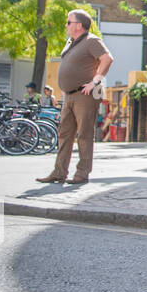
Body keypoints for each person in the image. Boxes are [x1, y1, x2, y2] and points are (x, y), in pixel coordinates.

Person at [36, 10, 112, 186]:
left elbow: (107, 59)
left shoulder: (91, 41)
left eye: (68, 22)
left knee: (84, 135)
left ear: (79, 25)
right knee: (64, 134)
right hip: (69, 95)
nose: (66, 25)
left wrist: (95, 81)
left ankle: (82, 174)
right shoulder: (72, 42)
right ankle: (59, 172)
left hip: (84, 95)